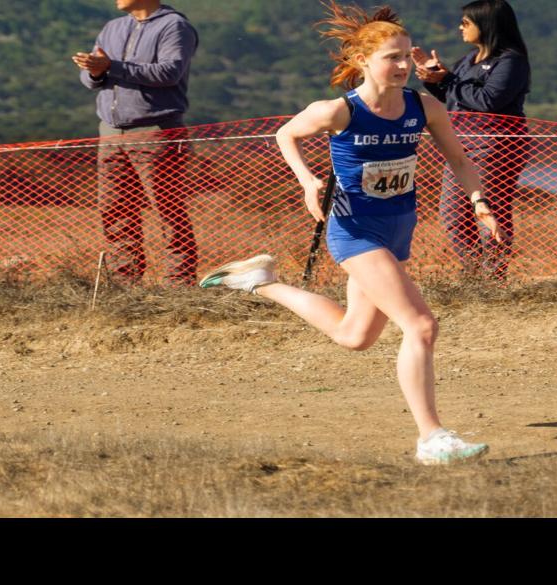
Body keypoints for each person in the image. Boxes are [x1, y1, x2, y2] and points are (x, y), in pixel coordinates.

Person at [197, 4, 500, 466]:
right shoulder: (339, 110)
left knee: (354, 335)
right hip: (354, 230)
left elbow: (460, 161)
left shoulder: (424, 106)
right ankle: (431, 438)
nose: (403, 66)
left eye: (405, 56)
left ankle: (259, 281)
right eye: (391, 58)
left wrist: (480, 204)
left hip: (398, 228)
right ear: (363, 61)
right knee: (420, 325)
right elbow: (285, 135)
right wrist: (307, 181)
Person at [71, 0, 198, 285]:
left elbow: (169, 72)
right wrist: (95, 71)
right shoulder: (111, 28)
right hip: (111, 134)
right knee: (115, 209)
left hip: (156, 132)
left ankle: (179, 283)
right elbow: (90, 79)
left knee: (167, 209)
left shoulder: (174, 26)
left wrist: (111, 66)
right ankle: (123, 282)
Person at [412, 0, 529, 280]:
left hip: (497, 146)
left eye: (466, 23)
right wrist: (433, 79)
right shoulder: (468, 60)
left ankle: (494, 277)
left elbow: (489, 101)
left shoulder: (511, 61)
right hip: (460, 145)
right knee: (452, 214)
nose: (460, 28)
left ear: (486, 25)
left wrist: (449, 80)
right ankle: (475, 274)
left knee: (491, 209)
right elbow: (454, 97)